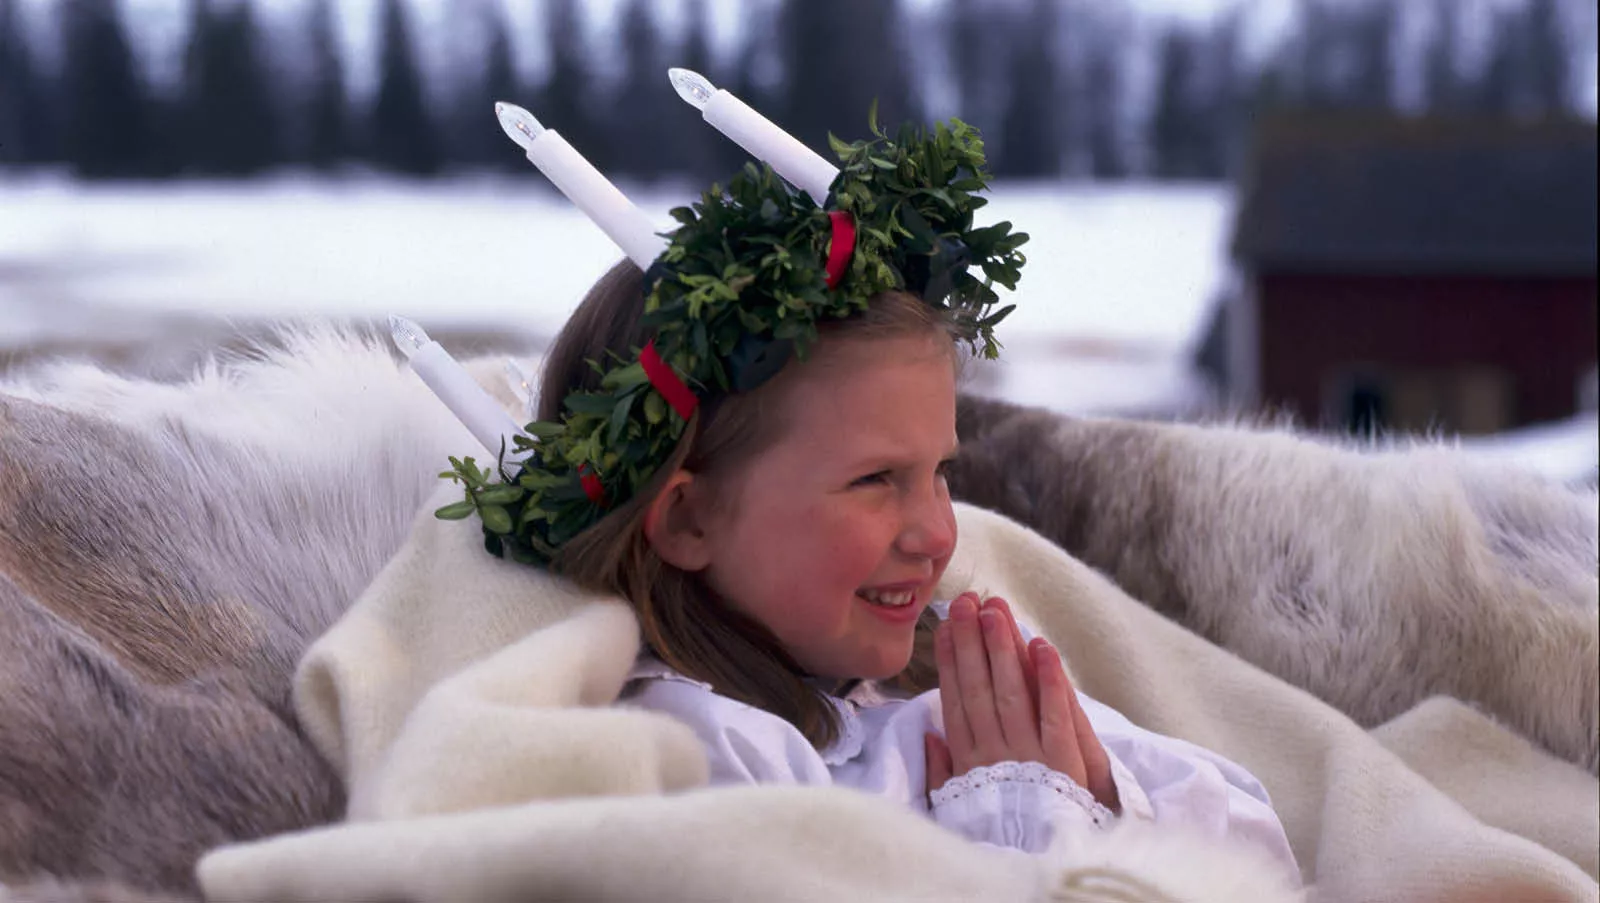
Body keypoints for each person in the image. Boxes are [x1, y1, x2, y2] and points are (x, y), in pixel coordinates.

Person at [443, 116, 1299, 874]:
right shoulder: (700, 755)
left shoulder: (951, 670)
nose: (937, 534)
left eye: (940, 472)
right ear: (689, 517)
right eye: (875, 481)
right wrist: (1021, 831)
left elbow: (1259, 842)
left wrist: (1100, 791)